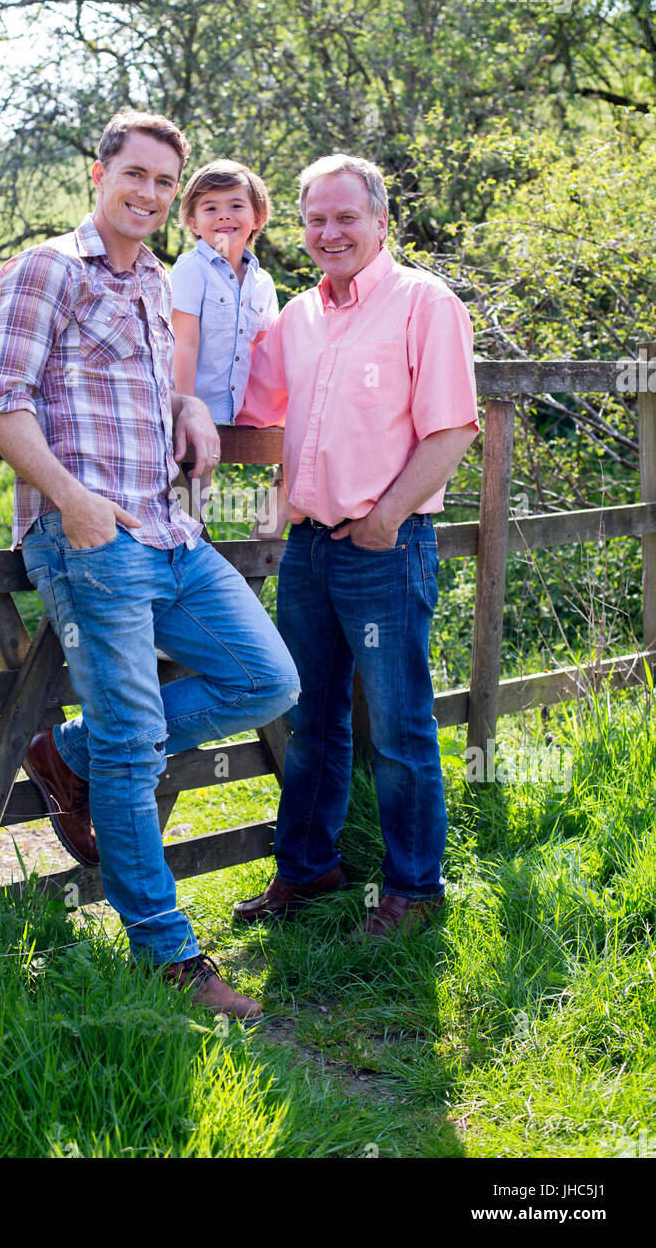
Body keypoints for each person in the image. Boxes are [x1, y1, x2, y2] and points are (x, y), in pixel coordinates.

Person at [0, 110, 301, 1017]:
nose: (151, 195)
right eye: (138, 176)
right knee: (132, 748)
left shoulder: (158, 280)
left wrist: (191, 407)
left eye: (166, 183)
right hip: (90, 539)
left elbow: (152, 385)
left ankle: (66, 754)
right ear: (98, 173)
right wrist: (72, 502)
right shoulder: (46, 270)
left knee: (269, 679)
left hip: (170, 533)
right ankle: (169, 958)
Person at [232, 154, 479, 939]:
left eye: (345, 217)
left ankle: (414, 891)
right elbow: (247, 407)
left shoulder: (423, 303)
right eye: (315, 220)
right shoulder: (297, 318)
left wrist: (388, 516)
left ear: (380, 222)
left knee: (402, 726)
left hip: (386, 545)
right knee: (309, 718)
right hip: (306, 549)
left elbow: (453, 428)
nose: (329, 232)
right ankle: (309, 872)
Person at [169, 158, 279, 521]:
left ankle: (190, 551)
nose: (223, 216)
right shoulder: (191, 269)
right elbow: (183, 344)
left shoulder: (262, 283)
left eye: (236, 205)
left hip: (235, 416)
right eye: (210, 207)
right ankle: (182, 549)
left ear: (257, 217)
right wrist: (185, 409)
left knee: (201, 489)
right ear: (192, 222)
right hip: (187, 409)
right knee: (181, 490)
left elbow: (265, 352)